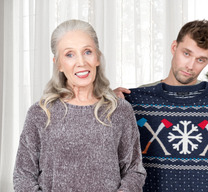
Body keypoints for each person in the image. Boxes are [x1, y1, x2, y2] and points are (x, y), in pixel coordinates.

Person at [115, 20, 208, 191]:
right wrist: (109, 106)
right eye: (186, 54)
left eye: (200, 59)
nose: (190, 66)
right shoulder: (134, 102)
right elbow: (111, 159)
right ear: (174, 47)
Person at [13, 19, 146, 192]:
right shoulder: (40, 113)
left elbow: (134, 171)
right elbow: (23, 176)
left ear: (97, 57)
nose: (81, 62)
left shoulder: (119, 110)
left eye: (87, 52)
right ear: (58, 63)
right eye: (69, 54)